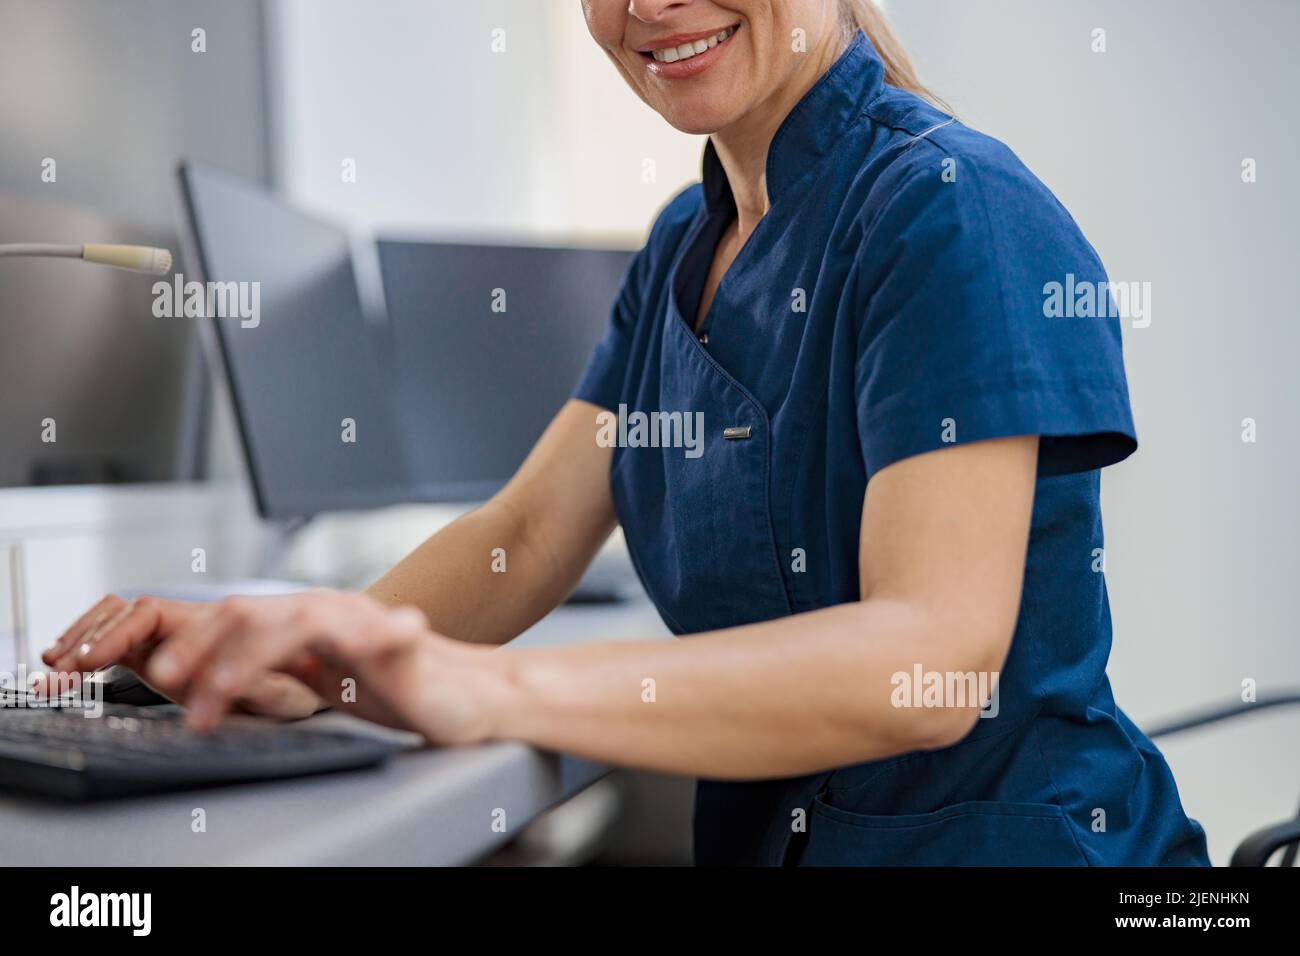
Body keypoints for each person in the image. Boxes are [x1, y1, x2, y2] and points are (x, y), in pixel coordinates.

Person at [43, 0, 1209, 866]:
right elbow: (529, 529)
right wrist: (306, 657)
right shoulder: (679, 250)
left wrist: (480, 688)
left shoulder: (955, 213)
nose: (650, 5)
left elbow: (932, 665)